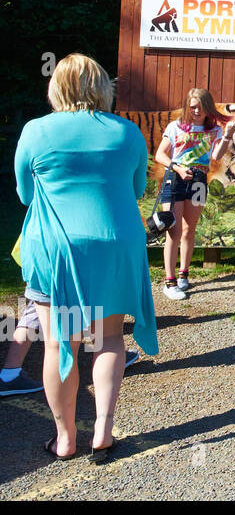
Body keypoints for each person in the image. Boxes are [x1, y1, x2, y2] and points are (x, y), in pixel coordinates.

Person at [14, 53, 159, 461]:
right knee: (108, 338)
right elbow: (133, 190)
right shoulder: (127, 132)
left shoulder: (36, 131)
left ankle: (64, 438)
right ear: (103, 88)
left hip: (56, 245)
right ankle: (102, 432)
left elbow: (26, 195)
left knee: (61, 343)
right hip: (114, 242)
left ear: (55, 87)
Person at [154, 88, 235, 300]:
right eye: (192, 107)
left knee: (190, 229)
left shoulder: (214, 130)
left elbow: (216, 155)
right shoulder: (175, 127)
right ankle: (169, 282)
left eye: (200, 107)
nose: (196, 111)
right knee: (174, 229)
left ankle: (183, 275)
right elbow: (160, 155)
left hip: (199, 180)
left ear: (208, 108)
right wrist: (179, 169)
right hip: (175, 179)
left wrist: (227, 136)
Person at [1, 299, 140, 397]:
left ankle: (10, 373)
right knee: (95, 307)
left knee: (36, 310)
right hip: (74, 264)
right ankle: (110, 356)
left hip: (42, 265)